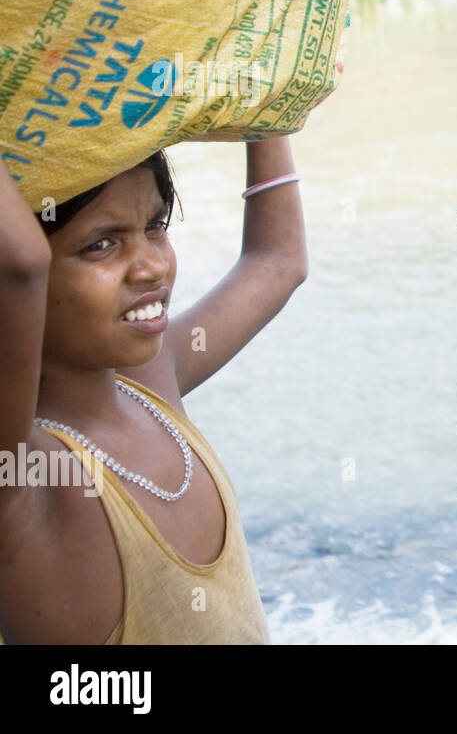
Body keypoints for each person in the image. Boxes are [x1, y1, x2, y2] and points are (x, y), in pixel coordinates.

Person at [0, 139, 307, 643]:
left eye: (155, 227)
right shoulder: (29, 475)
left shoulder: (149, 384)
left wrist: (268, 112)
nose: (152, 267)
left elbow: (278, 261)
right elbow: (19, 265)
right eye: (100, 244)